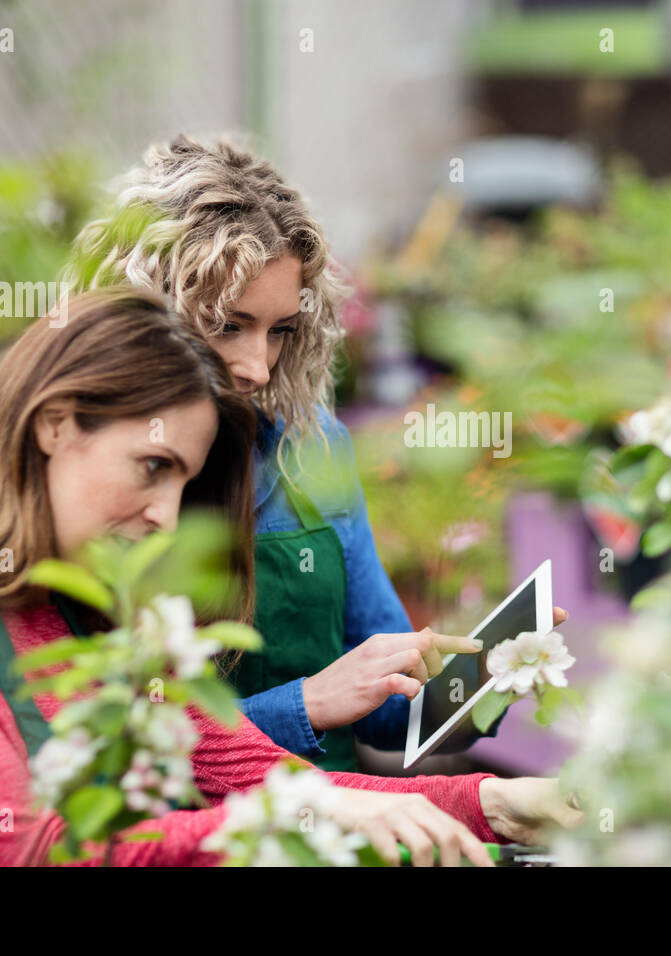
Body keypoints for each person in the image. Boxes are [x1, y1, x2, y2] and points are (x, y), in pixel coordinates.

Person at [0, 289, 579, 866]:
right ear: (55, 422)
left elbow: (250, 772)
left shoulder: (86, 605)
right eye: (153, 469)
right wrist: (290, 818)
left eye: (182, 485)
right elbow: (33, 850)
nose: (165, 519)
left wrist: (494, 802)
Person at [65, 134, 567, 770]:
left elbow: (388, 716)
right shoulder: (86, 479)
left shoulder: (309, 446)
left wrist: (484, 678)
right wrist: (305, 705)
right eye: (228, 325)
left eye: (280, 331)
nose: (257, 365)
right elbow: (106, 752)